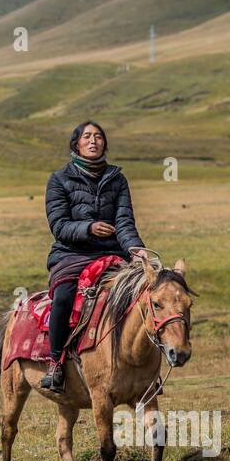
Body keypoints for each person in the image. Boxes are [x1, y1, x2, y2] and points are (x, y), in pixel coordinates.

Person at [41, 120, 145, 393]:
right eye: (87, 136)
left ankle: (141, 365)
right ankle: (55, 362)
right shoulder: (59, 179)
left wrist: (135, 248)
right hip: (71, 254)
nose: (93, 140)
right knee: (63, 296)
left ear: (104, 144)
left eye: (98, 136)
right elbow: (59, 225)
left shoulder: (117, 178)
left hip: (111, 252)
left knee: (141, 294)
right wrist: (88, 228)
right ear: (76, 144)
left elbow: (124, 222)